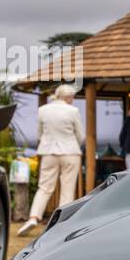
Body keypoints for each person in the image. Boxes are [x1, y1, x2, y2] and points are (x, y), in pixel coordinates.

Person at [18, 84, 84, 236]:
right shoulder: (73, 111)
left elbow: (39, 134)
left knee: (44, 187)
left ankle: (33, 217)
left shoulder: (43, 110)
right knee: (68, 189)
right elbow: (80, 135)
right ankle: (62, 223)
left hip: (48, 151)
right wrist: (73, 144)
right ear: (68, 97)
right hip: (70, 152)